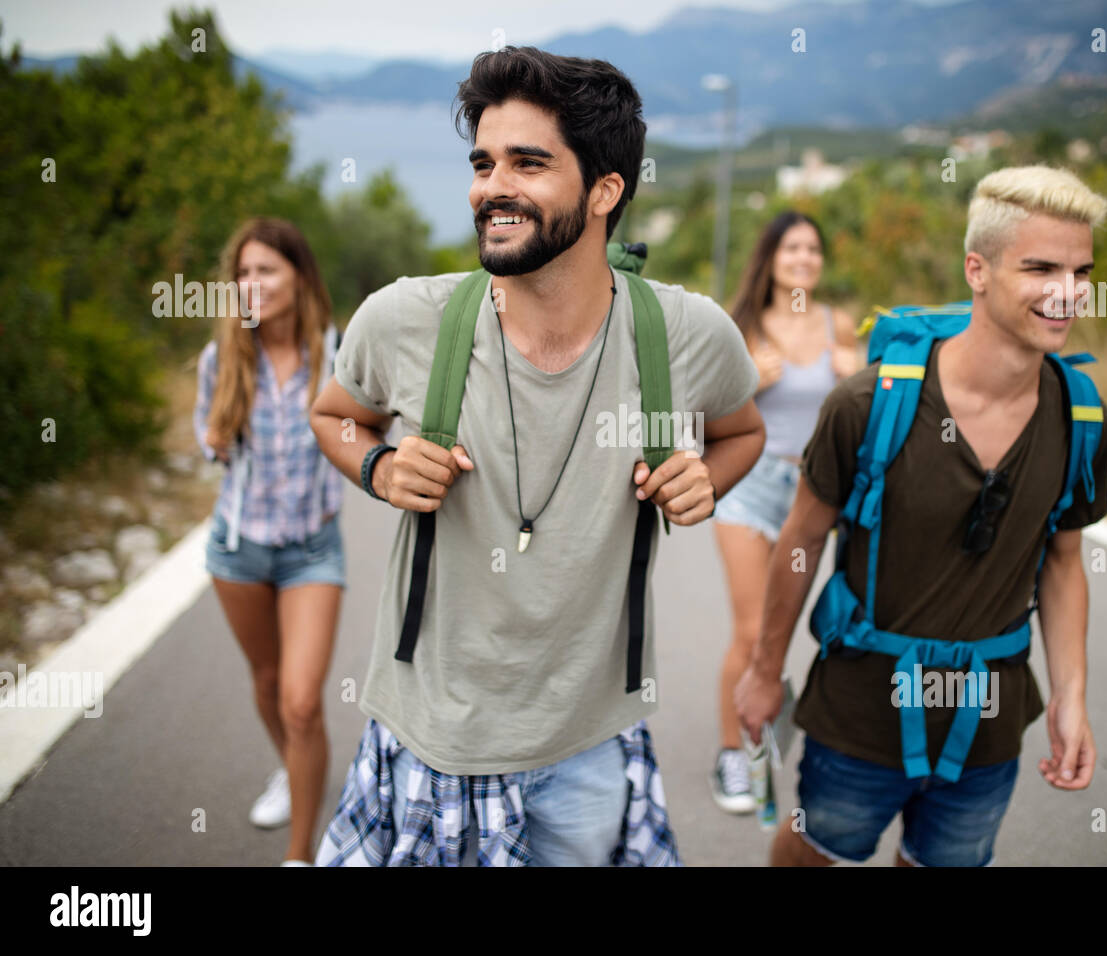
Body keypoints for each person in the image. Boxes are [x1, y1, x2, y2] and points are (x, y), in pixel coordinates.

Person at [308, 46, 764, 867]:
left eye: (527, 162)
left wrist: (705, 480)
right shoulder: (404, 318)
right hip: (430, 740)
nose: (492, 187)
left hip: (589, 747)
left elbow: (741, 432)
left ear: (604, 190)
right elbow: (336, 415)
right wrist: (378, 467)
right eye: (483, 162)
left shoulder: (688, 334)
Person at [736, 165, 1107, 866]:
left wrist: (1071, 695)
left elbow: (1064, 561)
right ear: (978, 269)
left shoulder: (1082, 415)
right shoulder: (867, 405)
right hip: (859, 716)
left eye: (1081, 271)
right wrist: (765, 670)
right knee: (814, 852)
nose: (1068, 292)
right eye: (1040, 268)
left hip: (990, 727)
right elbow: (802, 539)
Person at [193, 217, 345, 867]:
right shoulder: (222, 358)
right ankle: (293, 770)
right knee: (266, 680)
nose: (253, 284)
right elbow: (207, 436)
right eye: (244, 274)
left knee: (303, 700)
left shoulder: (336, 353)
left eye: (267, 271)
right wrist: (214, 441)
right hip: (238, 548)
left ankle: (299, 856)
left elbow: (371, 421)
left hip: (312, 550)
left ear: (300, 277)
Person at [710, 212, 861, 813]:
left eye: (813, 249)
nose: (804, 258)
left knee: (786, 627)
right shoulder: (741, 326)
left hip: (813, 494)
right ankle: (732, 756)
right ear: (771, 258)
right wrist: (746, 383)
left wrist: (864, 376)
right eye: (792, 248)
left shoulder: (839, 325)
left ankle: (768, 732)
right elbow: (703, 414)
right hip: (748, 486)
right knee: (750, 632)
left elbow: (867, 410)